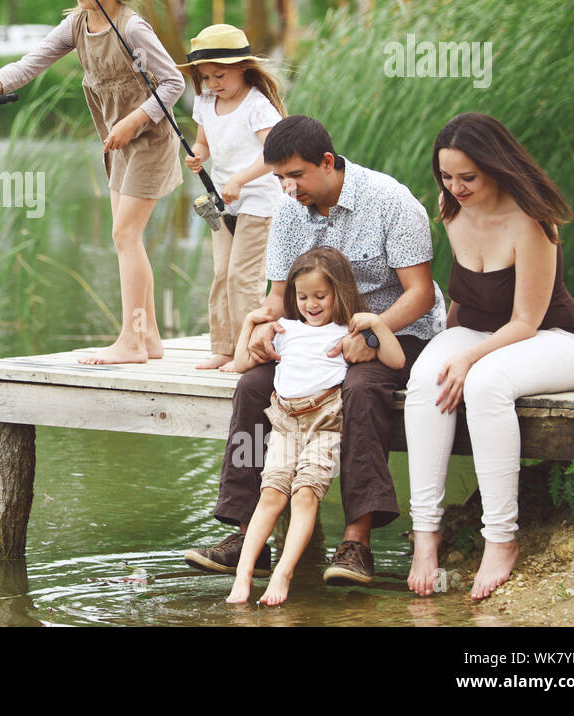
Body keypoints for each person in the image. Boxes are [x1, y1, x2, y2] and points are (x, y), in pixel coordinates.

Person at [184, 115, 445, 585]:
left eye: (296, 175)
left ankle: (356, 542)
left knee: (362, 390)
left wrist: (369, 333)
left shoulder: (390, 201)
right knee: (252, 385)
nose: (288, 188)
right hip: (314, 334)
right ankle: (250, 536)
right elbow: (276, 295)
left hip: (395, 329)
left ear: (327, 162)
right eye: (279, 177)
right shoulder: (289, 210)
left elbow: (420, 295)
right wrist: (265, 328)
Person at [0, 0, 183, 364]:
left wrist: (134, 121)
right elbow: (25, 67)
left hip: (148, 141)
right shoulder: (75, 24)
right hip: (116, 143)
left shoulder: (133, 28)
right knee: (128, 238)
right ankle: (147, 337)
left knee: (124, 235)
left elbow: (174, 82)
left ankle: (131, 343)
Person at [406, 113, 574, 601]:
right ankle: (426, 534)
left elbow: (526, 322)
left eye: (468, 177)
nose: (456, 187)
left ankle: (501, 539)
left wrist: (468, 359)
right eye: (446, 177)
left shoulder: (531, 219)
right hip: (481, 332)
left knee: (485, 383)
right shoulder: (449, 208)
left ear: (495, 165)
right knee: (427, 378)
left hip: (551, 340)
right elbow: (465, 301)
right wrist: (449, 348)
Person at [226, 247, 404, 605]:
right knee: (272, 494)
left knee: (305, 494)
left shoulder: (349, 331)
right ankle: (242, 577)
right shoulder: (285, 329)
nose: (311, 304)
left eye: (320, 296)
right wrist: (249, 324)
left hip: (324, 423)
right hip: (284, 422)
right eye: (302, 296)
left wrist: (378, 325)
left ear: (339, 292)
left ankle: (284, 573)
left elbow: (396, 360)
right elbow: (242, 363)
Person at [177, 23, 285, 370]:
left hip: (258, 202)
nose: (213, 83)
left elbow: (275, 154)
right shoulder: (207, 102)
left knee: (244, 276)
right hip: (220, 202)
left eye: (220, 75)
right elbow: (204, 143)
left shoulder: (257, 106)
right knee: (222, 273)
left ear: (243, 68)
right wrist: (196, 155)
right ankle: (223, 347)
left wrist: (240, 179)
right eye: (206, 77)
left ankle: (250, 349)